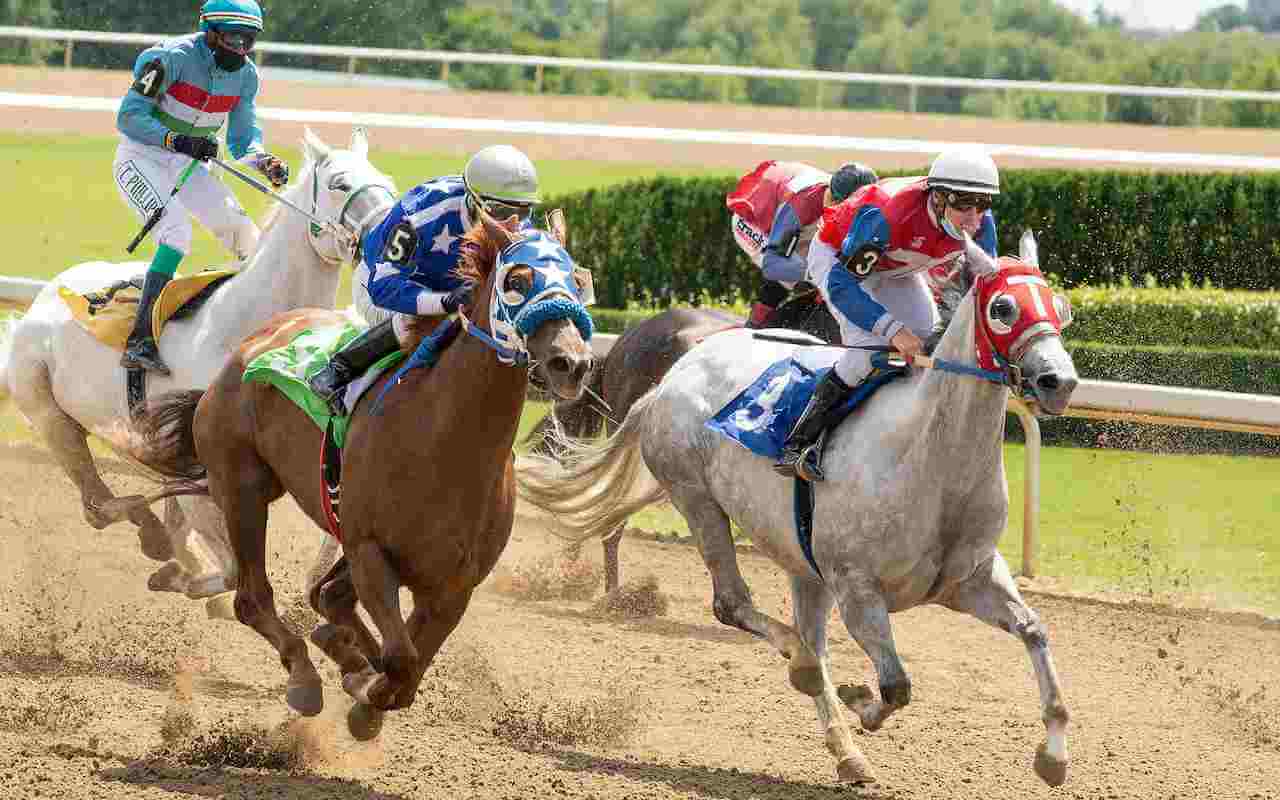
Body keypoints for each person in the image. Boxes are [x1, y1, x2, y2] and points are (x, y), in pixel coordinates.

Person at [774, 148, 1000, 481]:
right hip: (838, 262)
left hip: (894, 265)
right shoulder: (888, 213)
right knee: (866, 352)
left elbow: (983, 288)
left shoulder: (981, 226)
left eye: (983, 204)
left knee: (929, 338)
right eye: (963, 204)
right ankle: (798, 445)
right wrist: (894, 331)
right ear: (937, 199)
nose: (974, 217)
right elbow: (843, 285)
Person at [114, 0, 289, 375]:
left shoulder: (247, 77)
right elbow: (128, 117)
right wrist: (177, 140)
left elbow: (243, 143)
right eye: (232, 38)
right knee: (176, 233)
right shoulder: (170, 59)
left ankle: (262, 335)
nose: (241, 49)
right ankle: (140, 341)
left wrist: (265, 163)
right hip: (140, 157)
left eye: (249, 40)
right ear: (209, 32)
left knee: (247, 236)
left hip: (188, 164)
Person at [307, 144, 541, 414]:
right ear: (475, 201)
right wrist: (444, 302)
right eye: (502, 213)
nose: (515, 224)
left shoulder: (515, 226)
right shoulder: (418, 214)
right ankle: (339, 369)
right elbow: (383, 288)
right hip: (382, 288)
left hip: (452, 292)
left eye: (524, 213)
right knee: (438, 322)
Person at [727, 160, 879, 329]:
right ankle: (754, 326)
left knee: (824, 258)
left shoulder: (856, 198)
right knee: (791, 264)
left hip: (788, 203)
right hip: (752, 220)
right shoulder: (804, 204)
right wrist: (818, 273)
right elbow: (774, 264)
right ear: (833, 197)